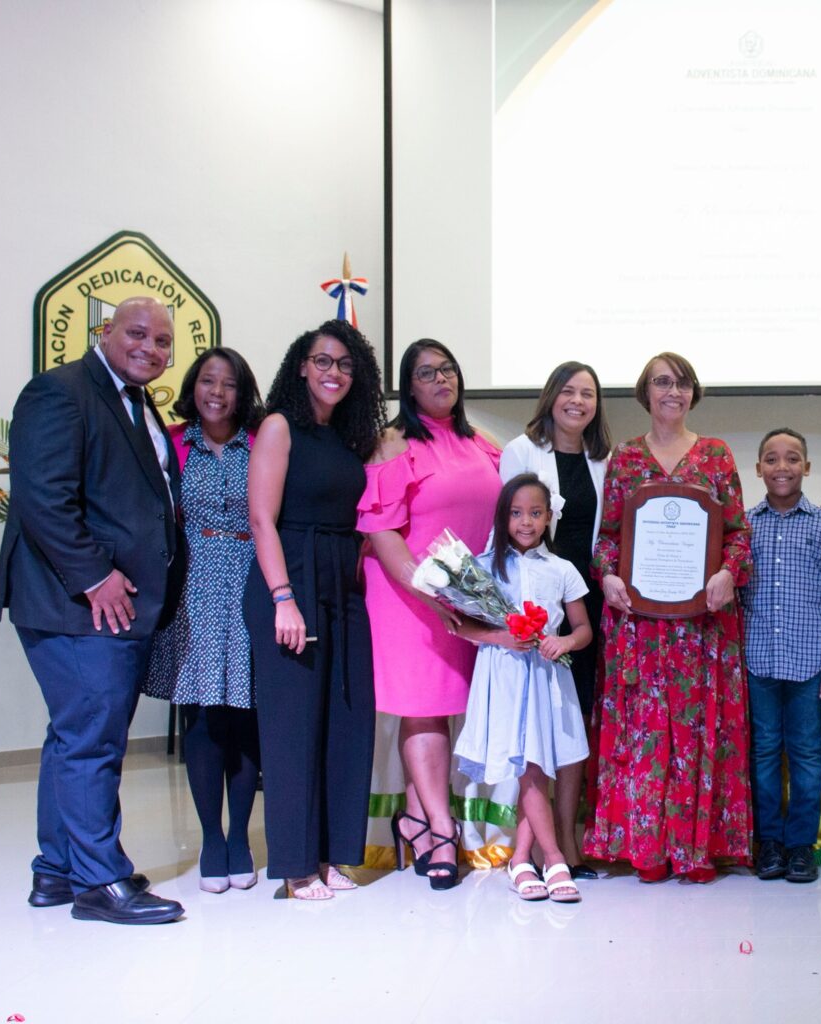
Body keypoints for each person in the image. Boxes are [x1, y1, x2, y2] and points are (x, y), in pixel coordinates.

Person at [0, 295, 185, 924]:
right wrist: (96, 577)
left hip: (110, 605)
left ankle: (57, 870)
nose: (150, 348)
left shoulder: (134, 400)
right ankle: (100, 881)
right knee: (93, 739)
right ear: (105, 331)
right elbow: (43, 497)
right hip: (79, 604)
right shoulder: (60, 391)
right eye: (137, 333)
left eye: (162, 341)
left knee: (74, 735)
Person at [584, 352, 753, 884]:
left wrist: (727, 573)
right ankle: (648, 848)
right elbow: (608, 538)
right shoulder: (625, 458)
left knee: (702, 731)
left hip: (703, 624)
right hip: (641, 625)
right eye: (662, 382)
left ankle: (698, 849)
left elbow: (738, 534)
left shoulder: (717, 455)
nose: (672, 392)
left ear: (693, 392)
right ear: (646, 392)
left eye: (681, 383)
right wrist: (608, 577)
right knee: (645, 733)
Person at [245, 319, 386, 901]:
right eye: (323, 361)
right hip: (292, 576)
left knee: (347, 718)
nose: (334, 372)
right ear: (301, 366)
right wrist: (283, 598)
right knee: (293, 727)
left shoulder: (348, 438)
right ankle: (296, 866)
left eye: (345, 364)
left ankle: (332, 855)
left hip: (342, 581)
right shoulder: (280, 426)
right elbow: (261, 519)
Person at [358, 338, 501, 891]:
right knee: (423, 710)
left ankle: (416, 820)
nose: (441, 380)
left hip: (469, 596)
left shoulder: (480, 442)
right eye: (426, 373)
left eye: (448, 369)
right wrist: (431, 595)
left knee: (441, 711)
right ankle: (443, 829)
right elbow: (381, 532)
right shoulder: (392, 443)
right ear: (408, 386)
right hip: (410, 598)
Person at [143, 347, 264, 893]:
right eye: (208, 381)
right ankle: (211, 839)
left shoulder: (260, 443)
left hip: (250, 582)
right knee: (202, 716)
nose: (217, 392)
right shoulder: (173, 443)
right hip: (192, 585)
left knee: (245, 714)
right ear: (193, 386)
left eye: (229, 383)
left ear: (243, 392)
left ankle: (240, 837)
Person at [453, 475, 593, 903]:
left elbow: (584, 629)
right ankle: (553, 858)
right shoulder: (483, 566)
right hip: (506, 678)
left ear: (549, 516)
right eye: (516, 513)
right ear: (503, 517)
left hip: (549, 679)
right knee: (531, 769)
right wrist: (502, 637)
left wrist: (563, 642)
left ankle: (521, 858)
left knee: (540, 769)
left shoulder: (562, 569)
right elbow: (463, 626)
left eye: (535, 513)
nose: (526, 522)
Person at [497, 361, 611, 881]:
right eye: (568, 391)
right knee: (534, 728)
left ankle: (567, 840)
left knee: (572, 724)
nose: (577, 401)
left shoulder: (603, 460)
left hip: (587, 605)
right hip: (535, 609)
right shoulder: (521, 452)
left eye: (588, 393)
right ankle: (536, 848)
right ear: (550, 396)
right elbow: (506, 528)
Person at [741, 428, 821, 884]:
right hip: (759, 661)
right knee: (765, 751)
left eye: (792, 459)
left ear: (806, 467)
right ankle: (769, 841)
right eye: (772, 459)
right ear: (758, 469)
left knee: (807, 753)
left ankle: (801, 845)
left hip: (810, 663)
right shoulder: (745, 526)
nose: (782, 467)